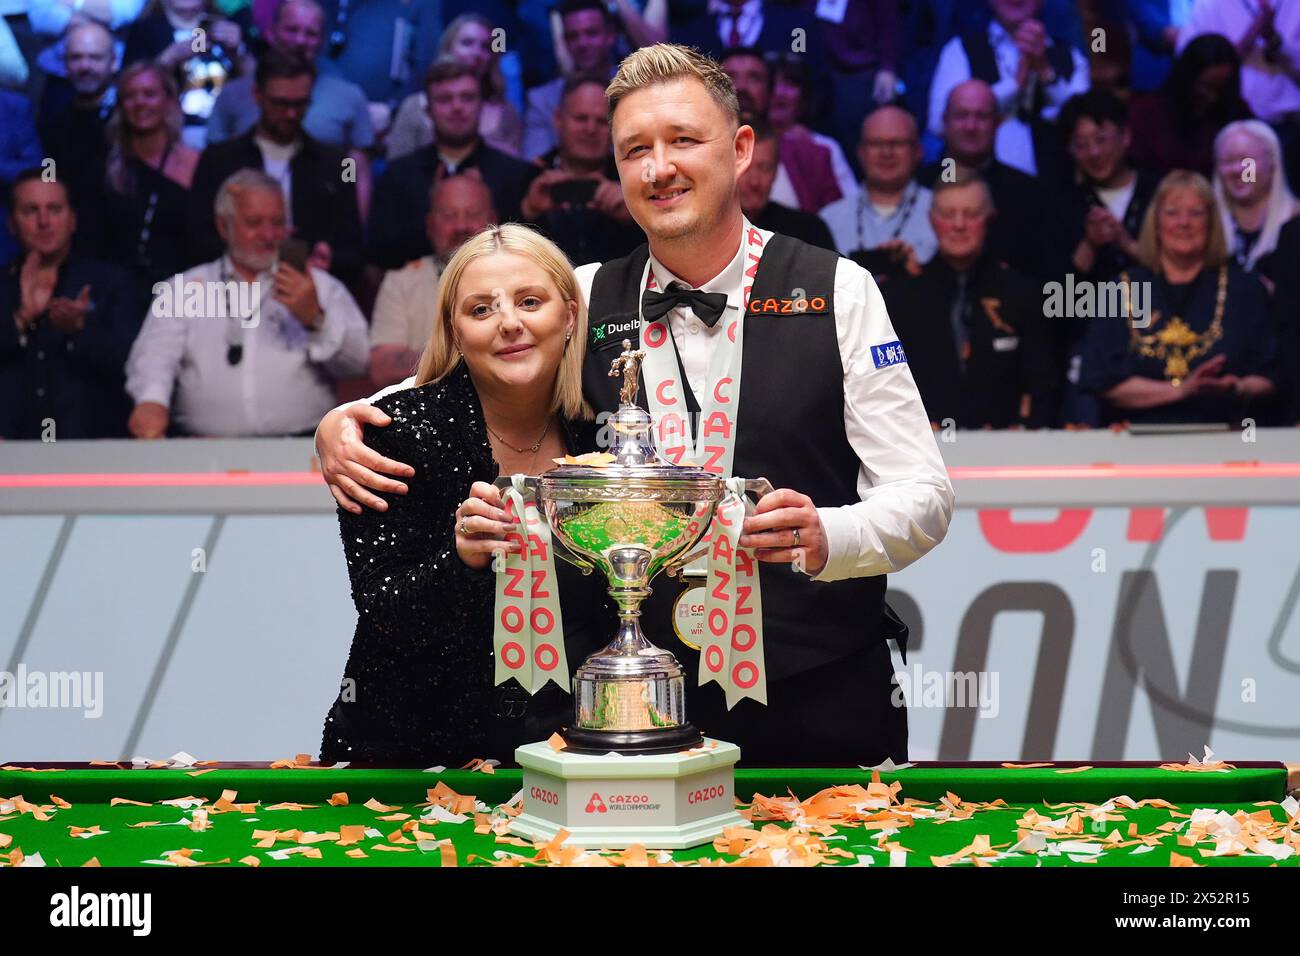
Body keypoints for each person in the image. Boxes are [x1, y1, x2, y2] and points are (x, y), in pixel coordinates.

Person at [317, 44, 954, 767]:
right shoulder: (585, 294)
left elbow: (924, 496)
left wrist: (826, 535)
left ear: (741, 148)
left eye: (684, 139)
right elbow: (475, 363)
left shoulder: (837, 290)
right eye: (636, 150)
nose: (660, 168)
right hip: (631, 711)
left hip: (820, 698)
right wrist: (349, 418)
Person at [319, 223, 613, 764]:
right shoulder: (394, 436)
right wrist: (461, 562)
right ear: (454, 332)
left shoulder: (601, 436)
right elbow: (382, 614)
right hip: (410, 768)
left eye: (530, 301)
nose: (509, 323)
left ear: (569, 316)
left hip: (571, 757)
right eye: (481, 310)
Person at [126, 169, 368, 437]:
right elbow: (155, 355)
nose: (268, 235)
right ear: (223, 226)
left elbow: (358, 363)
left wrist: (316, 320)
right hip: (203, 451)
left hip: (303, 448)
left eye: (277, 223)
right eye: (254, 222)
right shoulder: (185, 288)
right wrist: (151, 401)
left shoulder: (319, 286)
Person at [1078, 170, 1279, 428]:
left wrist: (1236, 387)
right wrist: (1183, 390)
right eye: (1172, 212)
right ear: (1155, 223)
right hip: (1134, 442)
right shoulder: (1120, 289)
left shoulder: (1246, 289)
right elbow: (1101, 381)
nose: (1184, 223)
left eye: (1196, 213)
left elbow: (1272, 375)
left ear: (1211, 222)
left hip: (1227, 439)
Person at [880, 171, 1056, 429]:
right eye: (948, 214)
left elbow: (1043, 385)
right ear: (931, 220)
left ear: (989, 219)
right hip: (922, 452)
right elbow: (884, 386)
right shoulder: (901, 296)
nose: (959, 224)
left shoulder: (1022, 292)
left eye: (971, 214)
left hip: (1008, 451)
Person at [186, 49, 364, 283]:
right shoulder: (218, 160)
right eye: (280, 104)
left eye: (300, 104)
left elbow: (355, 252)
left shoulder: (341, 165)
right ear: (257, 95)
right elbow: (194, 240)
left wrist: (329, 259)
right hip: (230, 291)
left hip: (311, 289)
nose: (290, 114)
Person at [1, 170, 140, 439]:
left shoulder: (112, 284)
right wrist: (21, 319)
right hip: (8, 454)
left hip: (91, 453)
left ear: (72, 220)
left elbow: (135, 363)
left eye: (54, 209)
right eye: (31, 211)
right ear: (11, 224)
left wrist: (79, 329)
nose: (44, 221)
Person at [368, 58, 538, 270]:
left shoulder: (516, 175)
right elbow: (378, 256)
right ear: (428, 110)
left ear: (481, 104)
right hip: (416, 296)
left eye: (467, 98)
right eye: (444, 99)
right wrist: (434, 208)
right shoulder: (398, 175)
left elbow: (531, 257)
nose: (457, 107)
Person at [926, 0, 1089, 177]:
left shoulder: (1072, 56)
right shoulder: (959, 50)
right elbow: (937, 123)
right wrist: (1013, 86)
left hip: (1053, 187)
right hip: (976, 187)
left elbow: (1084, 124)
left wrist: (1045, 72)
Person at [369, 174, 497, 388]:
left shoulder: (519, 273)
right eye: (448, 215)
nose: (461, 225)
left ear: (494, 220)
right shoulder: (401, 281)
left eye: (473, 214)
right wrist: (478, 354)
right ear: (429, 224)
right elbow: (382, 369)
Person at [918, 79, 1052, 280]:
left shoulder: (1030, 194)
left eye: (981, 116)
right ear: (945, 121)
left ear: (997, 122)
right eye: (961, 115)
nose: (971, 126)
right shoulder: (918, 187)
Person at [206, 0, 375, 155]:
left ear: (322, 40)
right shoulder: (233, 94)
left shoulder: (349, 97)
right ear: (272, 33)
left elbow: (354, 164)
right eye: (292, 30)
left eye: (311, 33)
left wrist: (349, 185)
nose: (300, 40)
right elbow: (215, 160)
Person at [99, 62, 200, 295]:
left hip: (184, 288)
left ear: (170, 100)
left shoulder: (197, 163)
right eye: (130, 96)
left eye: (149, 94)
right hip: (117, 289)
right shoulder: (105, 164)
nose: (140, 103)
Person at [519, 74, 641, 266]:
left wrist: (636, 217)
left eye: (601, 122)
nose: (591, 129)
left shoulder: (635, 180)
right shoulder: (524, 180)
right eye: (581, 118)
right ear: (558, 120)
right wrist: (528, 213)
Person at [721, 49, 857, 213]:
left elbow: (837, 223)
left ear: (771, 93)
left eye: (754, 78)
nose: (741, 87)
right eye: (730, 77)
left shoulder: (812, 157)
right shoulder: (690, 151)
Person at [819, 106, 937, 279]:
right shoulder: (829, 220)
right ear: (861, 152)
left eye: (897, 143)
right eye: (876, 143)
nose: (886, 153)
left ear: (918, 152)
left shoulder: (944, 214)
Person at [387, 14, 525, 161]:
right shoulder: (414, 107)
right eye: (467, 43)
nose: (477, 53)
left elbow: (518, 173)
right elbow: (396, 172)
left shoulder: (507, 112)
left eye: (485, 47)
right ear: (448, 47)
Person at [122, 0, 254, 145]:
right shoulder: (143, 31)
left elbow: (256, 82)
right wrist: (169, 58)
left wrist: (239, 52)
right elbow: (128, 87)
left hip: (227, 130)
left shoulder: (230, 25)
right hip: (169, 133)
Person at [1128, 33, 1253, 178]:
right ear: (1188, 77)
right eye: (1206, 86)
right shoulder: (1147, 112)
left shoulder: (1239, 115)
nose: (1213, 97)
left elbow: (1250, 172)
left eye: (1222, 89)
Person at [36, 19, 117, 238]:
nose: (85, 66)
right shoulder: (54, 118)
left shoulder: (132, 113)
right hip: (71, 233)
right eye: (76, 58)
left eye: (95, 58)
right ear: (64, 64)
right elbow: (49, 172)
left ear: (113, 62)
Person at [524, 0, 621, 160]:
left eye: (591, 33)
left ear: (610, 35)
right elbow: (534, 164)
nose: (582, 44)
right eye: (573, 36)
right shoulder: (541, 100)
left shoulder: (637, 90)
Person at [1212, 120, 1299, 283]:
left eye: (1247, 161)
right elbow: (1148, 284)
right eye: (1228, 161)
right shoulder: (1199, 226)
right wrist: (1145, 307)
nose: (1238, 170)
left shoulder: (1296, 223)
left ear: (1272, 162)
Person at [739, 117, 836, 251]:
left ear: (776, 172)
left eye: (765, 168)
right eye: (746, 168)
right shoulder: (705, 231)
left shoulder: (809, 232)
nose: (755, 182)